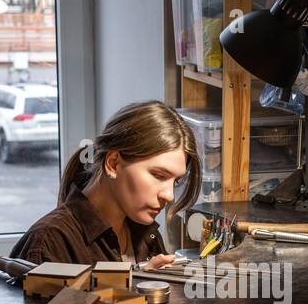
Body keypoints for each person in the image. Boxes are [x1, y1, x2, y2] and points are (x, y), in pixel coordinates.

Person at [11, 101, 201, 268]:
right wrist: (135, 289)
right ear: (113, 163)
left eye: (175, 181)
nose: (169, 196)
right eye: (158, 175)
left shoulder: (146, 235)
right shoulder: (48, 242)